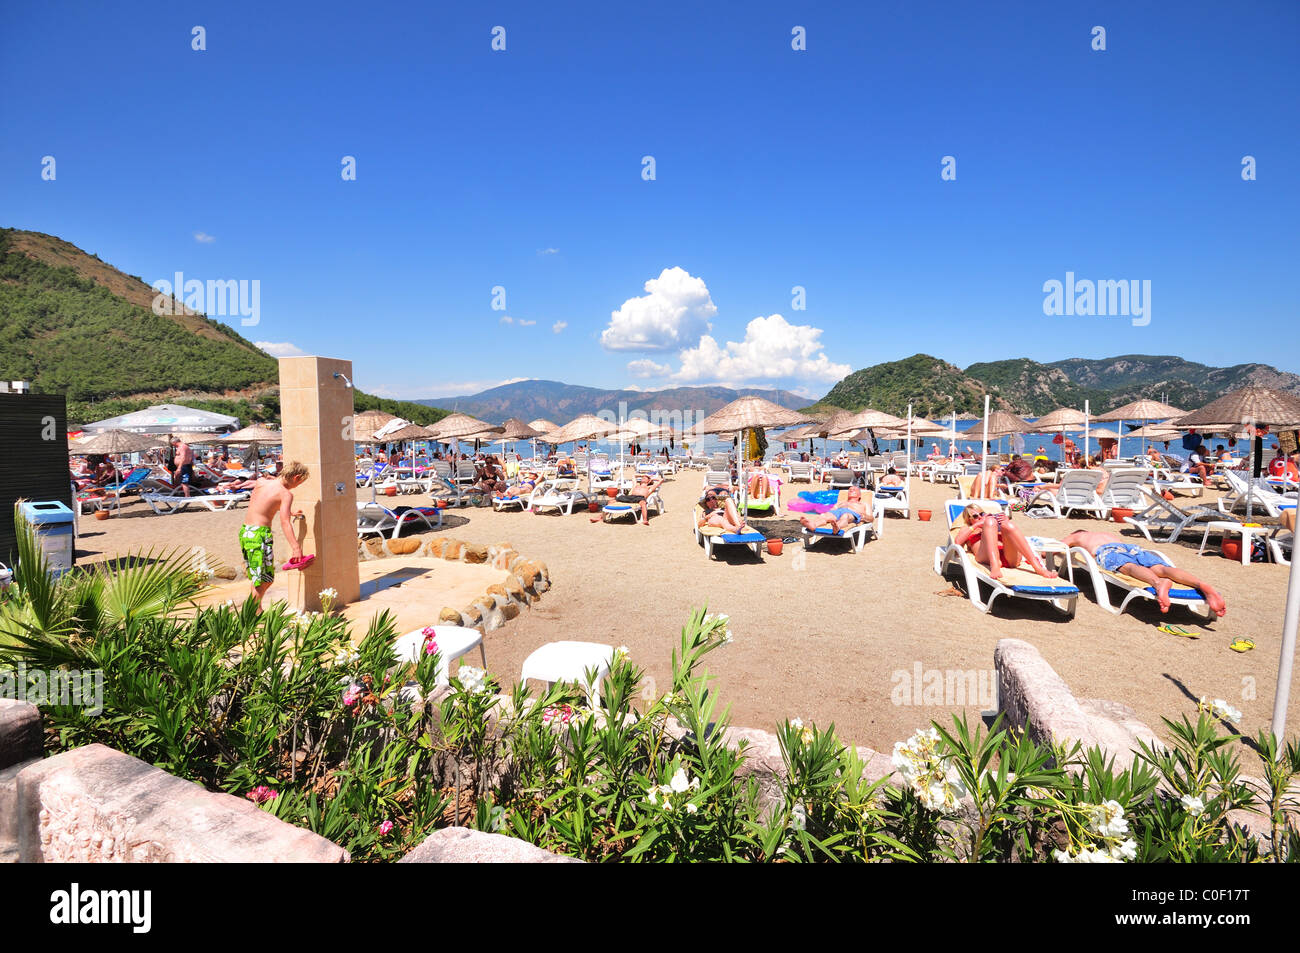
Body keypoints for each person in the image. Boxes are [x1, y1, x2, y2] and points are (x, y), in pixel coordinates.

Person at [1064, 529, 1227, 616]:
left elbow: (1057, 547)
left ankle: (1158, 583)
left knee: (1128, 567)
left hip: (1108, 551)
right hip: (1131, 548)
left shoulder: (1078, 536)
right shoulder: (1106, 533)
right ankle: (1200, 584)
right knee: (1162, 569)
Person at [240, 461, 309, 611]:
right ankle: (249, 614)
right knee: (265, 580)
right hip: (259, 535)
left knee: (258, 576)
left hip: (246, 532)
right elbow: (285, 523)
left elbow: (265, 503)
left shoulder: (261, 482)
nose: (297, 486)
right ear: (296, 477)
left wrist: (289, 511)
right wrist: (296, 547)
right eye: (299, 483)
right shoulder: (285, 494)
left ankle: (257, 610)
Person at [953, 505, 1057, 581]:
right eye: (975, 516)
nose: (980, 517)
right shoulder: (967, 529)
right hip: (987, 558)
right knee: (990, 521)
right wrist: (977, 525)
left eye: (982, 514)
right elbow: (957, 542)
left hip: (1009, 558)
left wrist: (1004, 522)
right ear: (969, 520)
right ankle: (995, 566)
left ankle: (1038, 568)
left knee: (1008, 525)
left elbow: (1011, 539)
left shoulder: (993, 526)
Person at [799, 486, 872, 534]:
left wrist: (865, 517)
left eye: (854, 490)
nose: (851, 491)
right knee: (825, 515)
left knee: (845, 516)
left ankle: (837, 527)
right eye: (850, 490)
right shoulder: (841, 502)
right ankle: (813, 525)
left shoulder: (864, 504)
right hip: (838, 512)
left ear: (859, 495)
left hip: (852, 514)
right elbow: (832, 510)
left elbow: (871, 518)